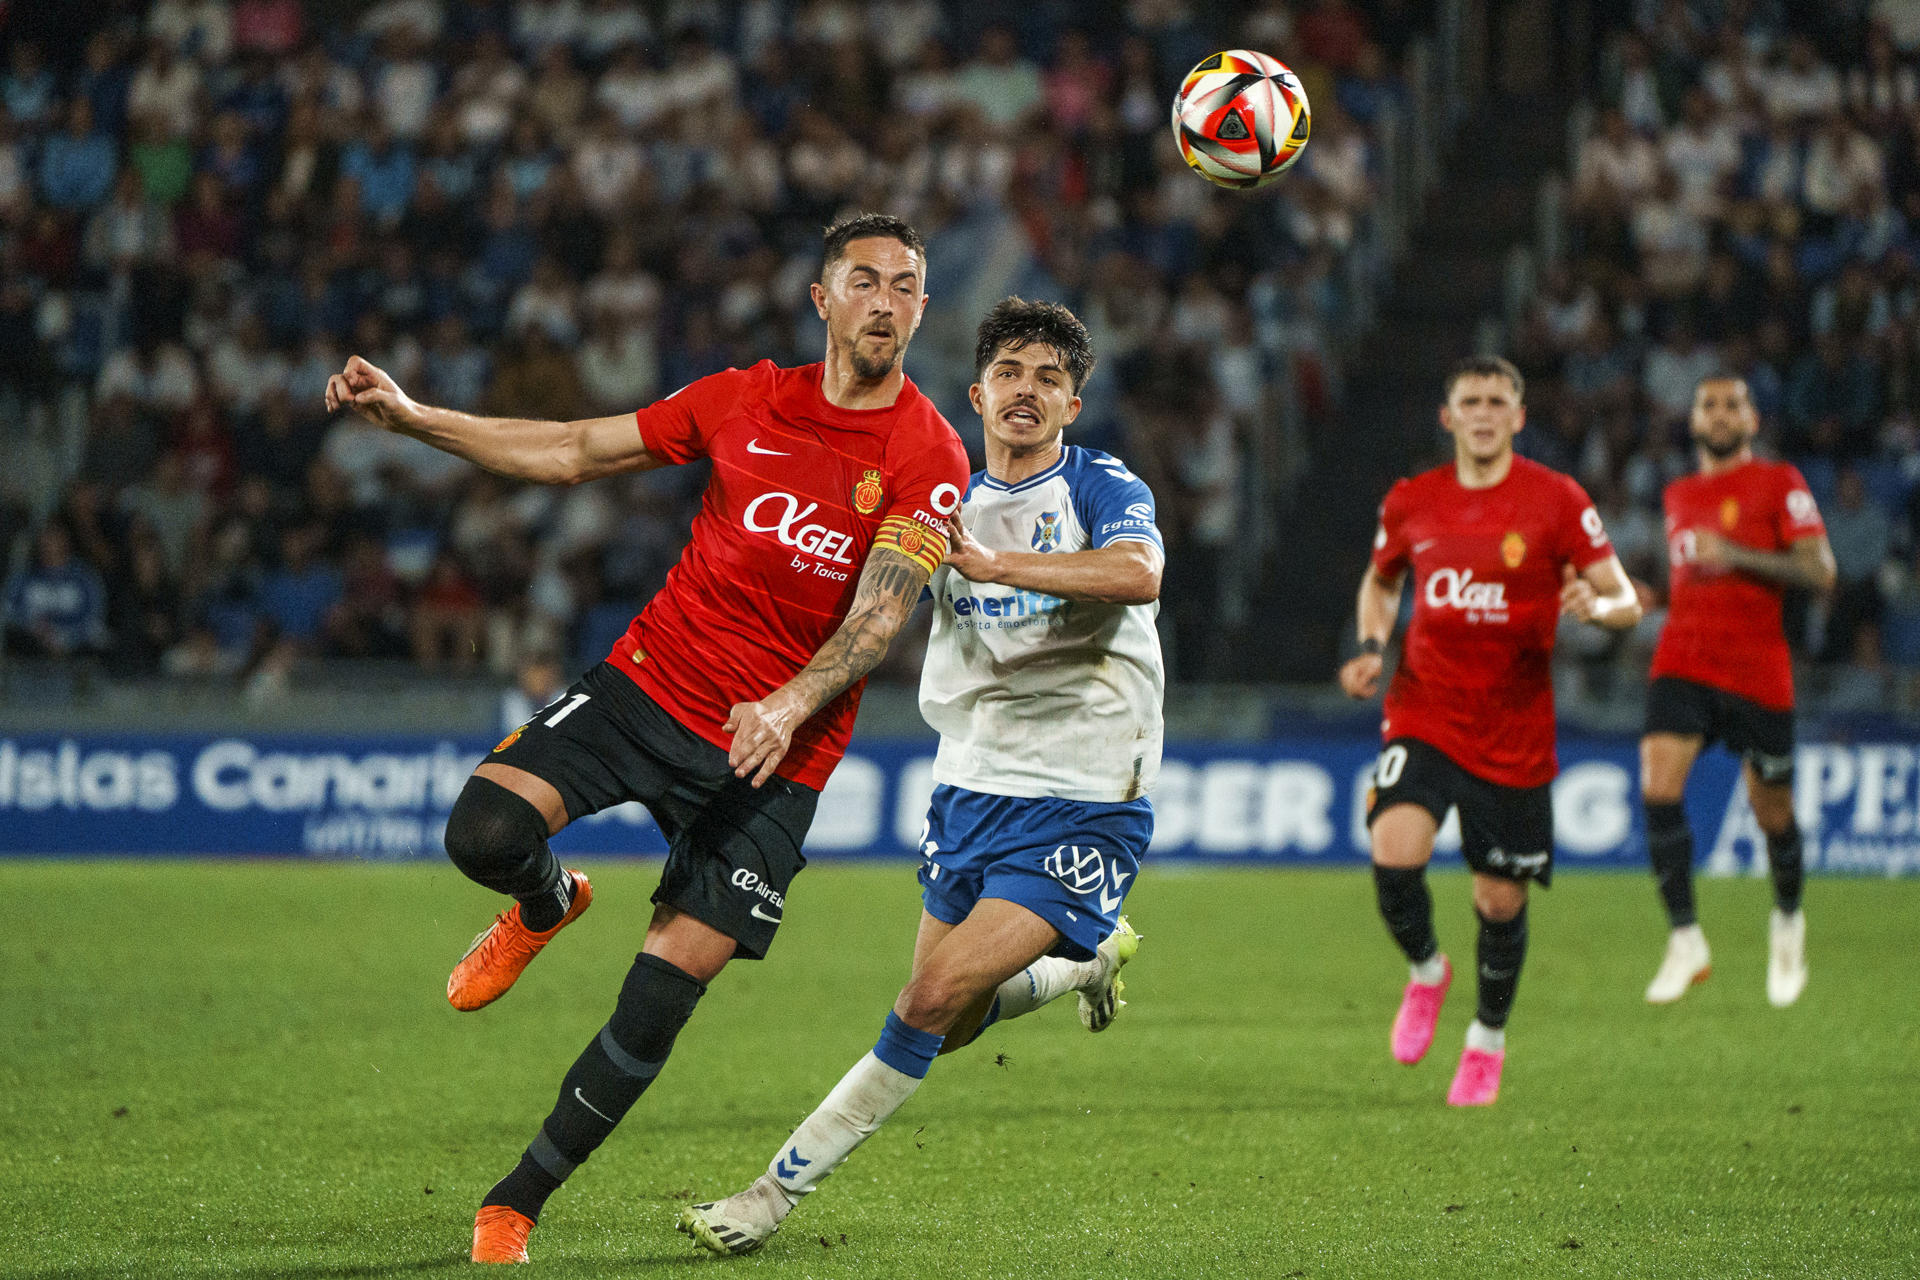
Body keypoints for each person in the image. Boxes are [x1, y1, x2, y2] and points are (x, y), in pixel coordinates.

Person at [324, 212, 971, 1265]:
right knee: (482, 831)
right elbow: (574, 450)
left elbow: (879, 616)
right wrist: (410, 418)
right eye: (865, 280)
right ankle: (548, 900)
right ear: (823, 299)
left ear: (923, 309)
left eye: (905, 285)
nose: (885, 301)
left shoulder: (928, 451)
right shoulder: (744, 398)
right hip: (650, 684)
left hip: (776, 757)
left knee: (659, 997)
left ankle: (516, 1200)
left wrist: (787, 704)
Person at [677, 298, 1163, 1255]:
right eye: (1009, 373)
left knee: (925, 1002)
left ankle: (767, 1198)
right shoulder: (938, 500)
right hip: (971, 782)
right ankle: (1082, 963)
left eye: (1050, 379)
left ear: (1072, 405)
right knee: (954, 1018)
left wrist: (997, 564)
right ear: (976, 394)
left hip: (1087, 795)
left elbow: (1137, 574)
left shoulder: (1100, 485)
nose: (1026, 391)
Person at [1338, 356, 1642, 1107]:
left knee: (1500, 902)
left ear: (1518, 416)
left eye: (1497, 401)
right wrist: (1373, 645)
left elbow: (1626, 600)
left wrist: (1597, 610)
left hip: (1514, 729)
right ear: (1449, 417)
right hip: (1424, 710)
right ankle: (1427, 972)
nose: (1483, 412)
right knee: (1393, 852)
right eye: (1470, 400)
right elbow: (1382, 579)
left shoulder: (1558, 500)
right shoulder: (1412, 500)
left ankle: (1487, 1039)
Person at [1640, 376, 1834, 1008]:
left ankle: (1787, 921)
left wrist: (1738, 553)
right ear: (1693, 420)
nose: (1720, 414)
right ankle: (1685, 939)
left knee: (1772, 813)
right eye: (1709, 405)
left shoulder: (1780, 482)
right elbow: (1694, 583)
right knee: (1657, 786)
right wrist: (1651, 599)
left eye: (1733, 405)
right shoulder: (1676, 494)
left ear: (1752, 419)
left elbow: (1820, 571)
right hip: (1683, 659)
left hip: (1757, 672)